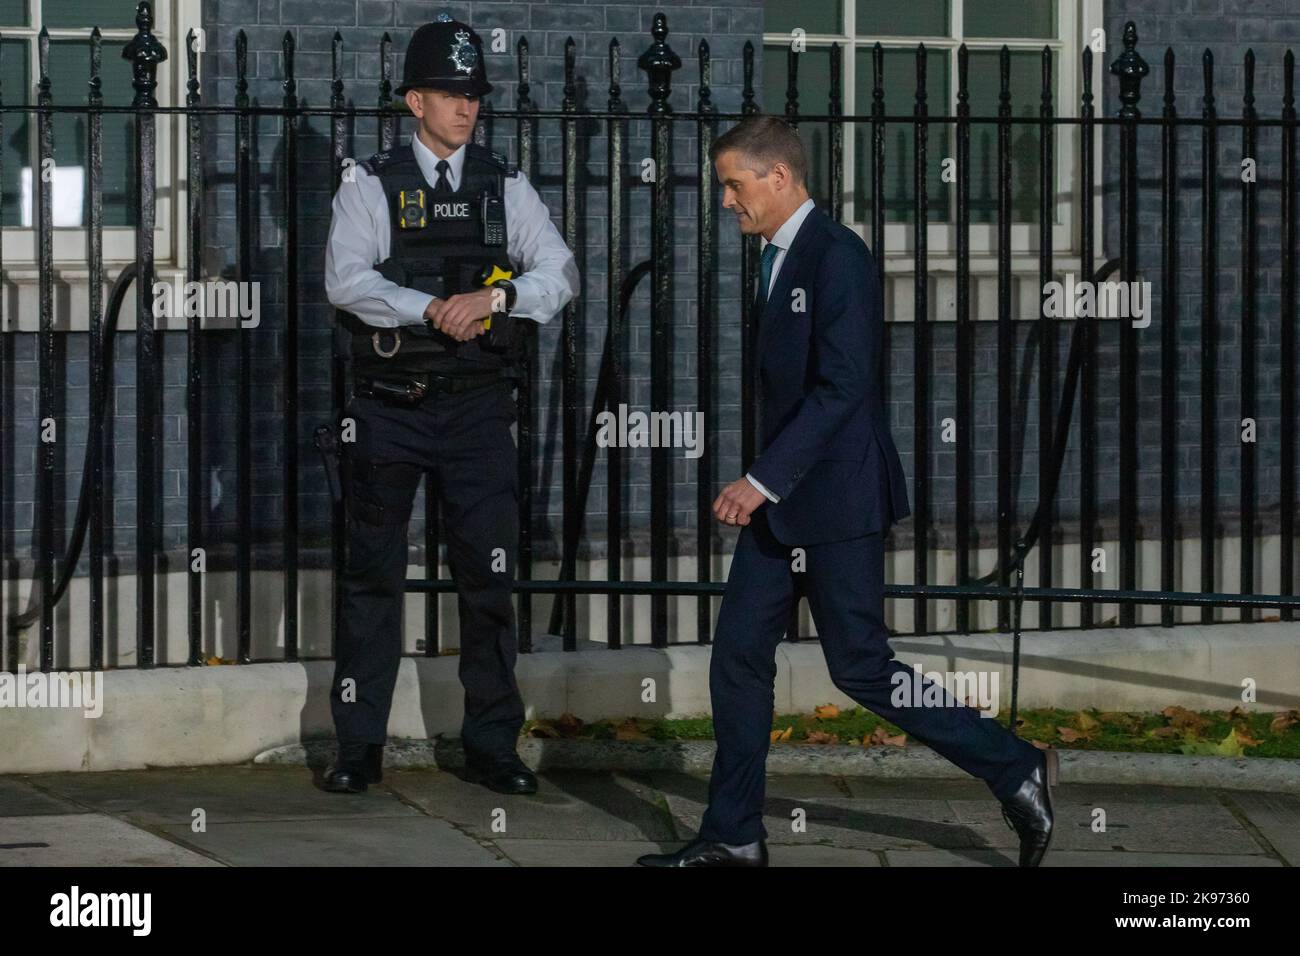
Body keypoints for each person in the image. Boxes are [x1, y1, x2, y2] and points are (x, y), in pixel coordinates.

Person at [637, 116, 1055, 867]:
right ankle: (733, 833)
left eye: (734, 183)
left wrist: (760, 480)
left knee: (861, 666)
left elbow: (843, 387)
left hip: (834, 501)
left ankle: (1013, 765)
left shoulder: (839, 257)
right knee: (737, 657)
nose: (726, 199)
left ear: (780, 177)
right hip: (782, 506)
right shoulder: (776, 258)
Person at [321, 14, 578, 796]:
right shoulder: (368, 185)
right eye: (450, 93)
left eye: (474, 94)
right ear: (414, 101)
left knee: (487, 580)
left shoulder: (506, 185)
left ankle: (492, 745)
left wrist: (493, 301)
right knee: (371, 578)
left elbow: (560, 274)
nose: (466, 107)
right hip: (389, 403)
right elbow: (347, 281)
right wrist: (432, 308)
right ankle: (358, 746)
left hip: (475, 409)